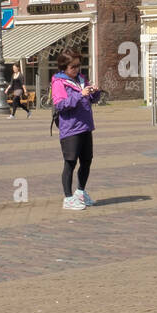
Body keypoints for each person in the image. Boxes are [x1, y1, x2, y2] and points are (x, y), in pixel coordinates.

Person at [52, 48, 98, 210]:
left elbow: (89, 100)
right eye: (73, 66)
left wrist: (94, 93)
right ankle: (68, 198)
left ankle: (80, 192)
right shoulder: (59, 82)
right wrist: (80, 95)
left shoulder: (81, 79)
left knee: (87, 160)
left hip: (85, 126)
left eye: (79, 65)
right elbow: (61, 104)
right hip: (71, 128)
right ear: (64, 68)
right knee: (70, 162)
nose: (77, 69)